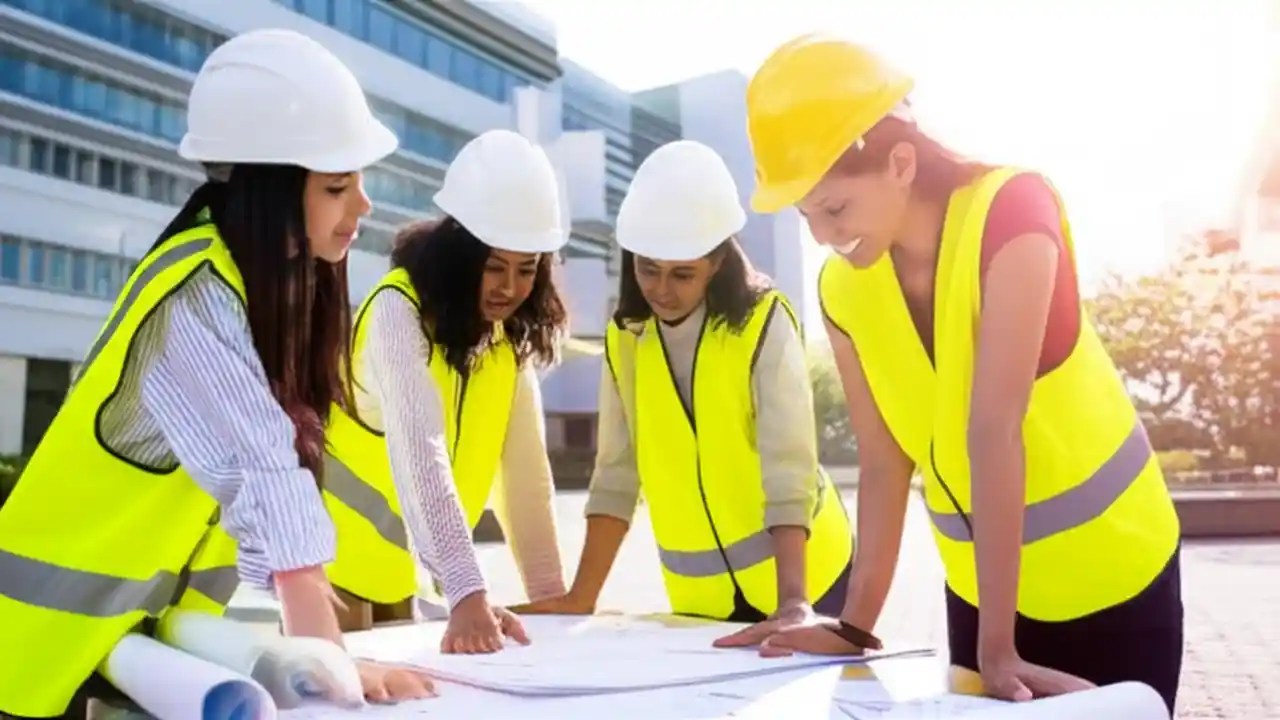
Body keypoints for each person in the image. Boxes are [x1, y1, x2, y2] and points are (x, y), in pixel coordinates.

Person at [741, 34, 1185, 716]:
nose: (824, 237)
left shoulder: (1013, 212)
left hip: (1114, 580)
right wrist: (854, 627)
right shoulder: (843, 290)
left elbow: (994, 430)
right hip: (982, 600)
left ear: (900, 162)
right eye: (807, 217)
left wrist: (997, 648)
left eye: (835, 209)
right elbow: (885, 462)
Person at [0, 29, 435, 717]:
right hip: (33, 651)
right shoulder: (194, 298)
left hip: (113, 650)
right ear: (270, 191)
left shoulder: (249, 287)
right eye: (336, 185)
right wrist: (335, 669)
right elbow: (264, 471)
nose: (363, 206)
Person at [514, 141, 854, 640]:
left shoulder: (764, 320)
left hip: (809, 581)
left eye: (682, 274)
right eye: (647, 268)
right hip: (701, 603)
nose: (661, 289)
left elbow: (789, 464)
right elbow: (616, 471)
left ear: (717, 261)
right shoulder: (626, 338)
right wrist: (582, 597)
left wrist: (793, 601)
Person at [323, 129, 569, 655]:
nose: (510, 287)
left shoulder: (504, 341)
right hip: (331, 560)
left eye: (527, 270)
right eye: (494, 266)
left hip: (411, 570)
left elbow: (525, 478)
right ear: (460, 253)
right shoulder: (396, 309)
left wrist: (551, 599)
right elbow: (420, 449)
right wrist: (466, 590)